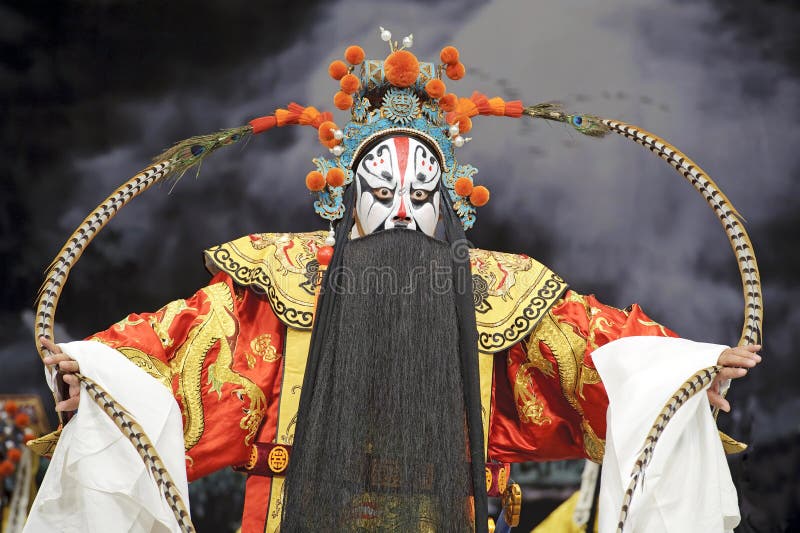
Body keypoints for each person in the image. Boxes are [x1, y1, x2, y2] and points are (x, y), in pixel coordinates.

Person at [26, 34, 761, 533]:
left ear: (450, 200)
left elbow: (595, 353)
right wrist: (95, 372)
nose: (403, 208)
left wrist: (688, 372)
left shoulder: (496, 293)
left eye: (421, 190)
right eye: (381, 189)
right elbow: (181, 352)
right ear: (344, 199)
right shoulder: (283, 287)